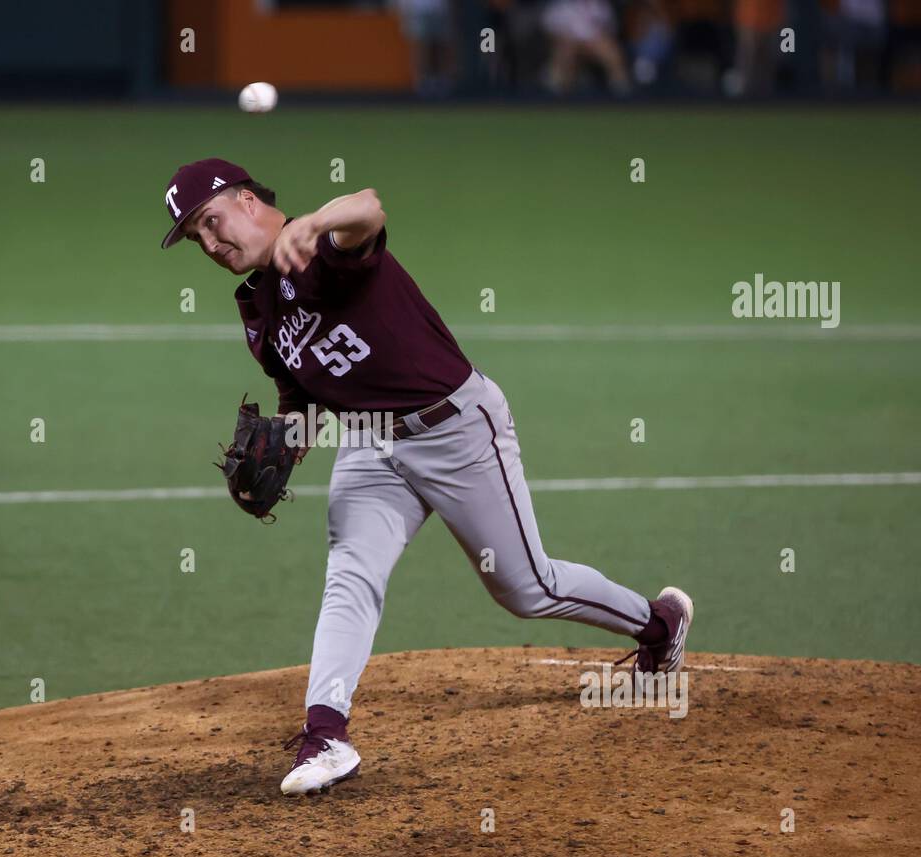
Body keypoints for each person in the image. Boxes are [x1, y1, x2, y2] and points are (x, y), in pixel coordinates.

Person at [160, 158, 694, 796]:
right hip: (369, 444)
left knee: (526, 589)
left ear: (246, 201)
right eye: (197, 238)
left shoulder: (322, 250)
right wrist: (285, 445)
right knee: (351, 574)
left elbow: (369, 208)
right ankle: (325, 736)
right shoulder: (258, 307)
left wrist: (317, 220)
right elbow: (298, 397)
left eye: (211, 222)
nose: (212, 245)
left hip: (456, 432)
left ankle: (658, 623)